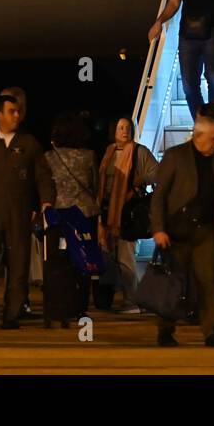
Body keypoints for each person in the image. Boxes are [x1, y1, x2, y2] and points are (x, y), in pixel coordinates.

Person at [0, 94, 55, 329]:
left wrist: (45, 202)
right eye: (11, 111)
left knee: (18, 263)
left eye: (18, 112)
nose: (17, 116)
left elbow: (43, 177)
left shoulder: (30, 143)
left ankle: (12, 313)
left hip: (20, 213)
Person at [150, 116, 214, 347]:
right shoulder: (175, 156)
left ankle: (213, 330)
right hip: (177, 230)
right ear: (198, 136)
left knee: (207, 280)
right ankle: (165, 329)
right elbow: (159, 196)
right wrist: (159, 229)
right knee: (173, 281)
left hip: (204, 231)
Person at [96, 116, 158, 312]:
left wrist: (138, 181)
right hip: (108, 211)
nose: (125, 131)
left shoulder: (139, 151)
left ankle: (132, 301)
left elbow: (157, 172)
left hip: (127, 211)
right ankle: (113, 298)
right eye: (120, 127)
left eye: (127, 127)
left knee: (125, 258)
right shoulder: (109, 152)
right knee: (109, 256)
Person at [45, 112, 99, 317]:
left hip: (59, 215)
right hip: (85, 215)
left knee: (60, 260)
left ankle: (61, 303)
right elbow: (95, 185)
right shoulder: (88, 156)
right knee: (84, 261)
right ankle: (81, 306)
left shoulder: (49, 157)